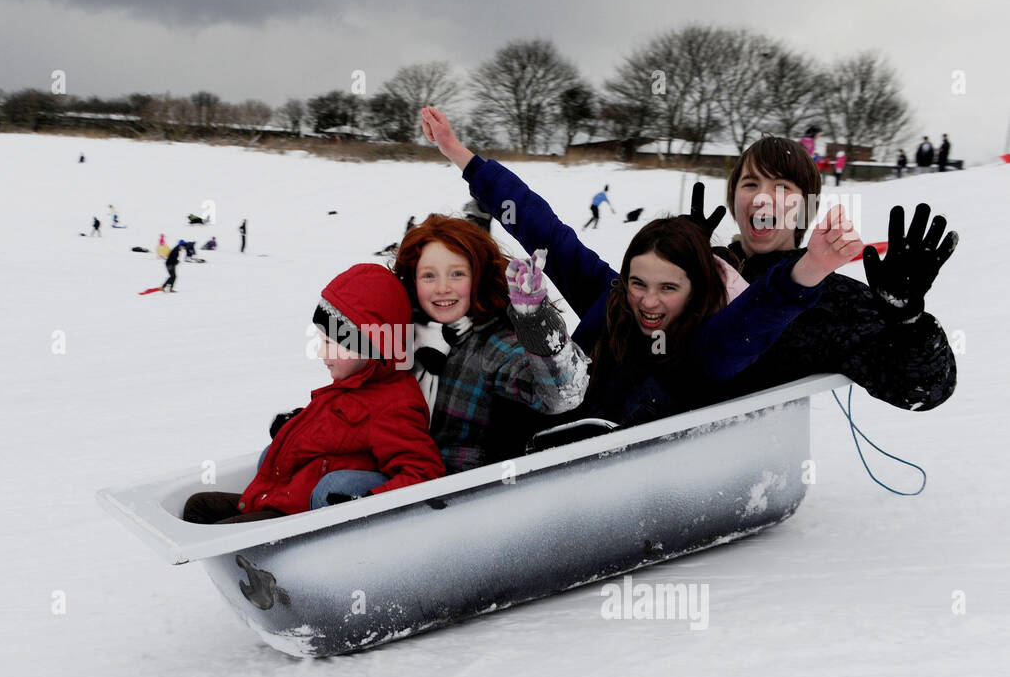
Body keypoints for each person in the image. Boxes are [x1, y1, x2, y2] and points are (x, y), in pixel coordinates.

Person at [420, 106, 863, 428]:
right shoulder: (614, 297)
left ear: (695, 292)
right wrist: (462, 157)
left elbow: (754, 320)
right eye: (639, 283)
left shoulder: (705, 345)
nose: (649, 300)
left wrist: (809, 269)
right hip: (532, 435)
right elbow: (546, 232)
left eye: (669, 288)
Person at [182, 264, 445, 523]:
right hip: (282, 495)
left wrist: (367, 500)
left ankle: (260, 564)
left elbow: (423, 473)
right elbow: (342, 435)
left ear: (370, 344)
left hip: (298, 519)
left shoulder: (394, 405)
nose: (321, 353)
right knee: (198, 507)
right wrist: (294, 426)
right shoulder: (355, 382)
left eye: (330, 343)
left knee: (225, 533)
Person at [717, 135, 958, 411]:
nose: (762, 198)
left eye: (782, 187)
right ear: (733, 198)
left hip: (758, 447)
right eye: (750, 184)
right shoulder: (696, 269)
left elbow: (923, 387)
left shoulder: (829, 295)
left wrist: (908, 321)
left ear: (806, 207)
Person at [394, 215, 590, 472]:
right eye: (429, 276)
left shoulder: (490, 343)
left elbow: (562, 395)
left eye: (457, 274)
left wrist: (535, 321)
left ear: (477, 277)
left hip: (454, 491)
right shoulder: (403, 332)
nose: (442, 288)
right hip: (394, 477)